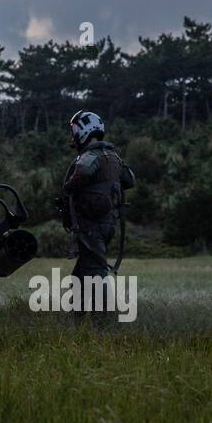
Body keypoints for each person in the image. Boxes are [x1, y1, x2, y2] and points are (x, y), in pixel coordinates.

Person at [60, 110, 135, 315]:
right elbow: (130, 180)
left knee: (95, 273)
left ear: (84, 130)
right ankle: (76, 319)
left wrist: (69, 186)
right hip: (107, 223)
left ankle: (104, 322)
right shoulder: (112, 155)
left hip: (91, 225)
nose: (73, 135)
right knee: (81, 275)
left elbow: (82, 173)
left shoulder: (89, 156)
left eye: (75, 130)